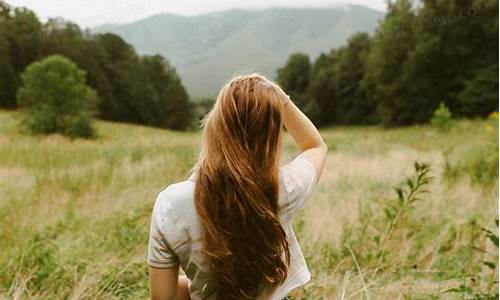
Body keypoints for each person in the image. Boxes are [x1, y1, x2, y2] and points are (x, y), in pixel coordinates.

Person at [148, 74, 327, 300]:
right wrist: (281, 99)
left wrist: (199, 284)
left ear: (215, 126)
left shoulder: (171, 204)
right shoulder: (281, 188)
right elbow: (315, 146)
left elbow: (163, 297)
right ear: (271, 137)